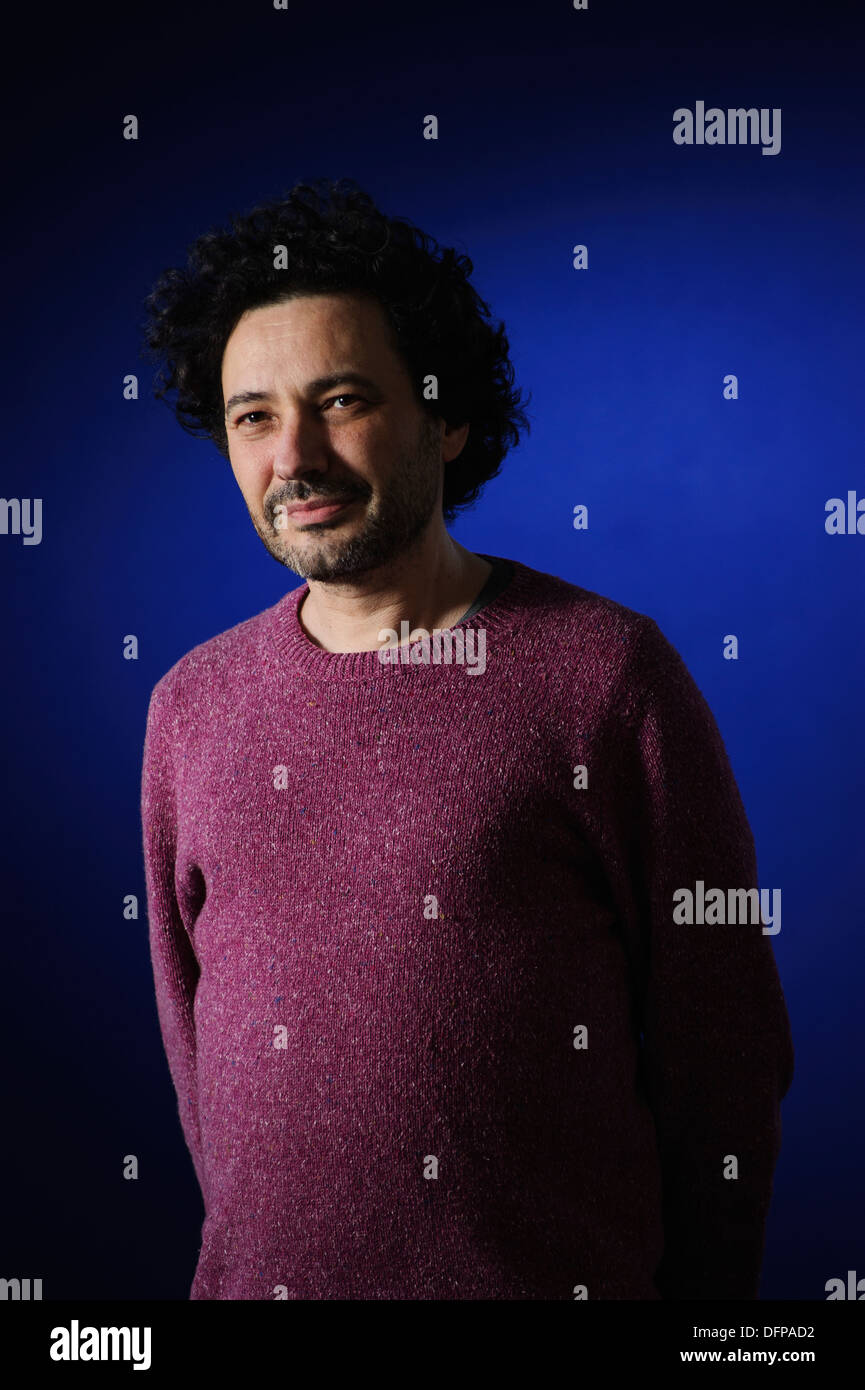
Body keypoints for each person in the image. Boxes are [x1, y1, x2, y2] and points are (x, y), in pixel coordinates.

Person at [140, 178, 794, 1300]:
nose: (292, 455)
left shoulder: (606, 674)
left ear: (446, 419)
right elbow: (194, 1047)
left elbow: (722, 1048)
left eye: (341, 399)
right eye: (253, 415)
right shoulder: (189, 706)